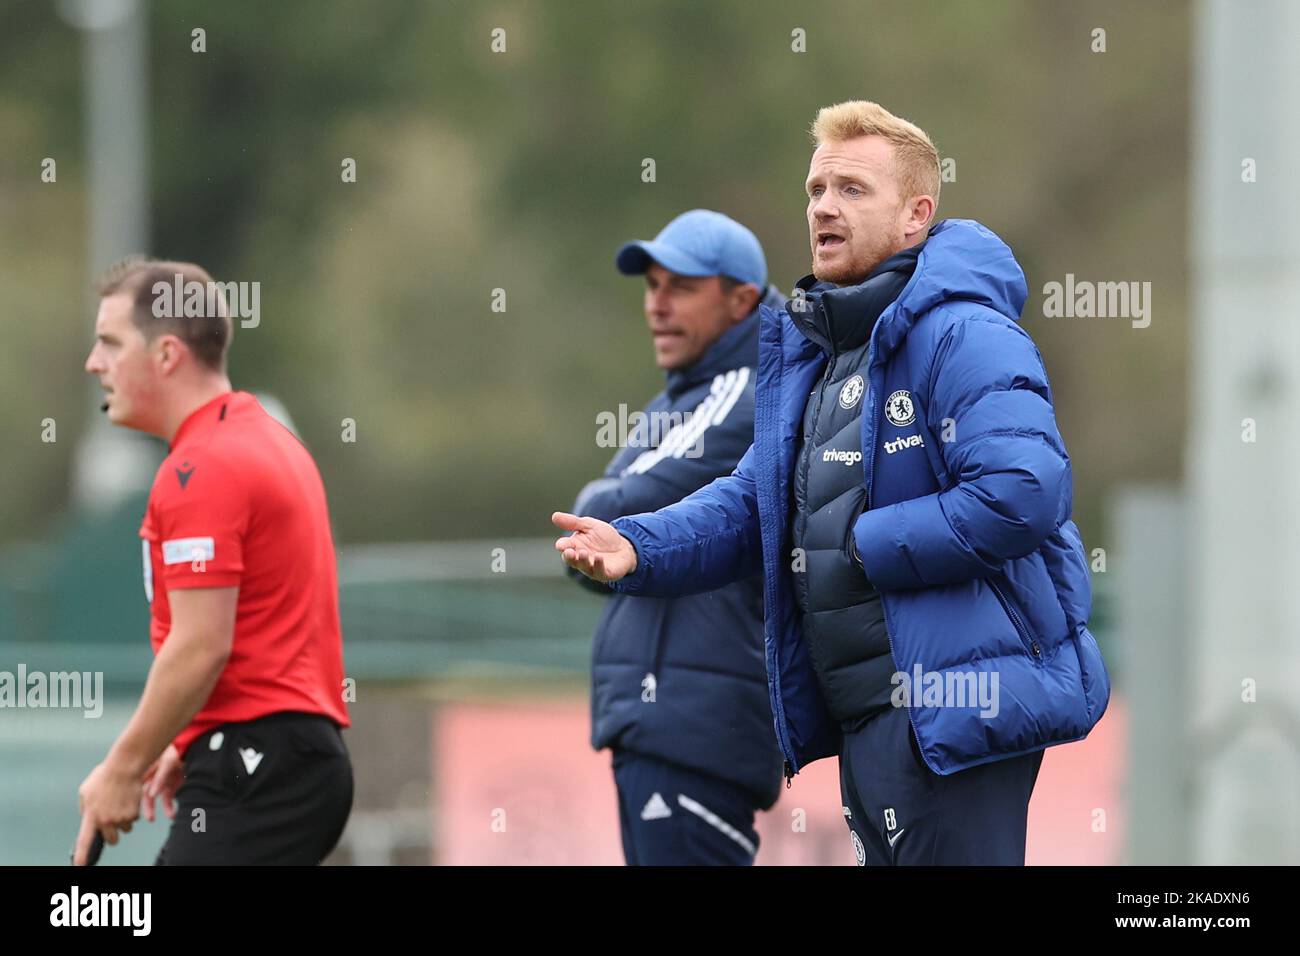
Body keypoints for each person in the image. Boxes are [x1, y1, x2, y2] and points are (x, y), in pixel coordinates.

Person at [554, 101, 1110, 866]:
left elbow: (1022, 492)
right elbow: (752, 505)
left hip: (955, 714)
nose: (823, 205)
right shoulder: (822, 355)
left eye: (852, 189)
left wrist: (863, 541)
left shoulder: (964, 330)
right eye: (816, 189)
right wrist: (638, 546)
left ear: (916, 215)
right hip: (871, 720)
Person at [76, 257, 352, 865]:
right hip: (278, 757)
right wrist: (196, 734)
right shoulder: (265, 442)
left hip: (260, 763)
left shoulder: (203, 467)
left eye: (110, 343)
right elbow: (265, 632)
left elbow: (203, 644)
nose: (95, 363)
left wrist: (121, 768)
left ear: (167, 355)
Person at [568, 210, 786, 865]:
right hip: (668, 727)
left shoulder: (744, 391)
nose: (657, 306)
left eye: (681, 288)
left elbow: (604, 506)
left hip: (692, 730)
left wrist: (603, 507)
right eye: (651, 286)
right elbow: (589, 551)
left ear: (741, 300)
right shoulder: (685, 395)